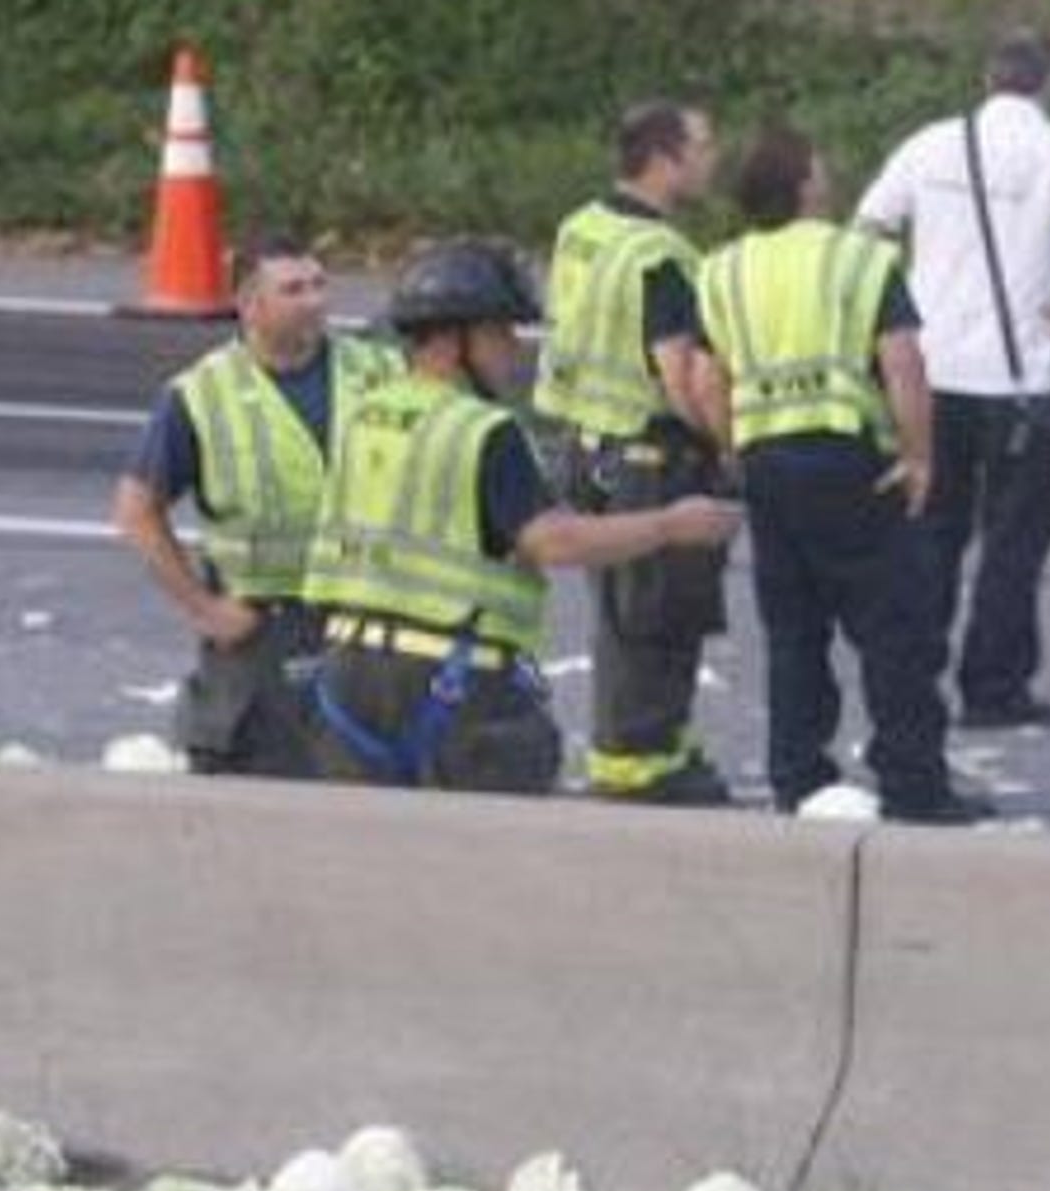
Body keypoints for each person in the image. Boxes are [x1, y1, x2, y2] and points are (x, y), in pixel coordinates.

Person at [300, 241, 741, 794]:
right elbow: (552, 541)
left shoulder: (365, 413)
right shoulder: (483, 431)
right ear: (451, 339)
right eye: (499, 332)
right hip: (456, 687)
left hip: (348, 680)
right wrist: (671, 525)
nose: (512, 347)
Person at [702, 127, 984, 825]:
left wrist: (733, 448)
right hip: (849, 460)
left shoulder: (721, 269)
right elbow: (904, 364)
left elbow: (707, 375)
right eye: (819, 168)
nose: (828, 177)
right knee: (895, 631)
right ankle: (914, 785)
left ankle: (798, 778)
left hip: (767, 461)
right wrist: (920, 458)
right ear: (803, 185)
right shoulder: (860, 259)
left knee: (794, 632)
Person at [856, 29, 1050, 730]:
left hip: (931, 374)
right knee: (1013, 543)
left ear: (986, 78)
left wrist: (879, 316)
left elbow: (868, 227)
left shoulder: (929, 144)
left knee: (929, 534)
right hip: (1020, 383)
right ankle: (995, 687)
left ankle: (912, 678)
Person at [111, 235, 399, 777]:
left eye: (319, 284)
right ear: (249, 305)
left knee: (369, 780)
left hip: (369, 616)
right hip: (264, 630)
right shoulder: (202, 394)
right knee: (253, 776)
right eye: (294, 289)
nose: (315, 300)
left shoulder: (378, 372)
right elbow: (136, 510)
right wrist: (206, 610)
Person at [533, 100, 735, 806]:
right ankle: (641, 762)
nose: (713, 158)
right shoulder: (661, 255)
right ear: (664, 156)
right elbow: (680, 375)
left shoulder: (581, 229)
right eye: (704, 144)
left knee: (620, 615)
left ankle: (648, 745)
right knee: (656, 619)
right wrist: (729, 443)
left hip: (580, 445)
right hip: (649, 455)